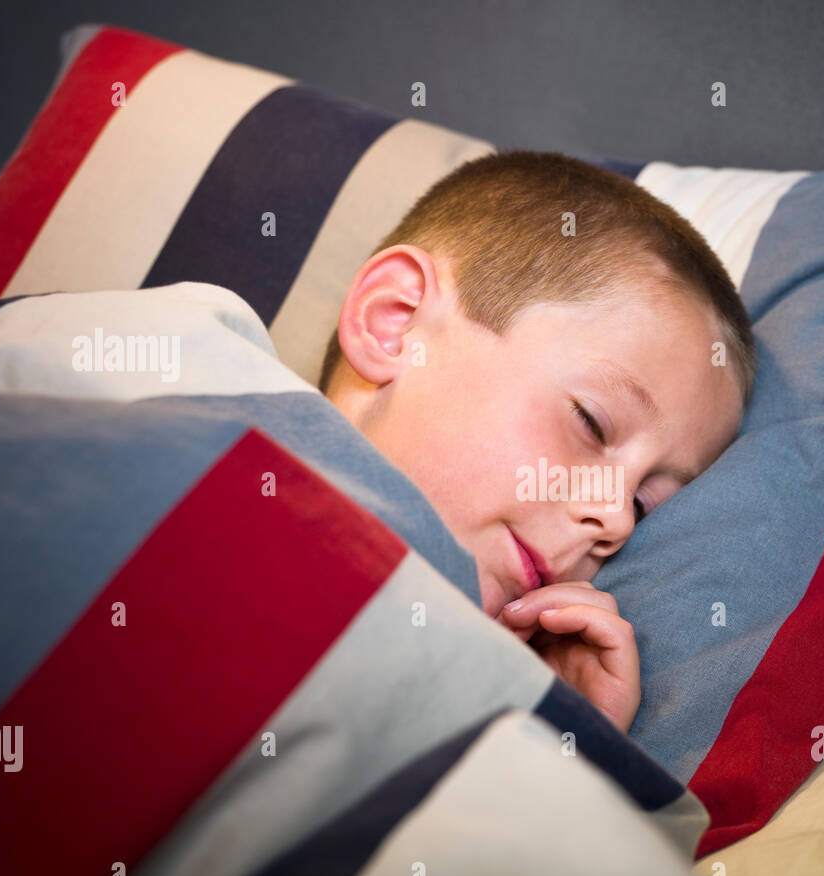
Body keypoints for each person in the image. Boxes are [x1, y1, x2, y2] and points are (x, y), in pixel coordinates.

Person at [320, 151, 755, 733]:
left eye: (642, 505)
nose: (614, 522)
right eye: (592, 423)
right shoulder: (191, 379)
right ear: (394, 321)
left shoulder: (457, 702)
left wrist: (565, 747)